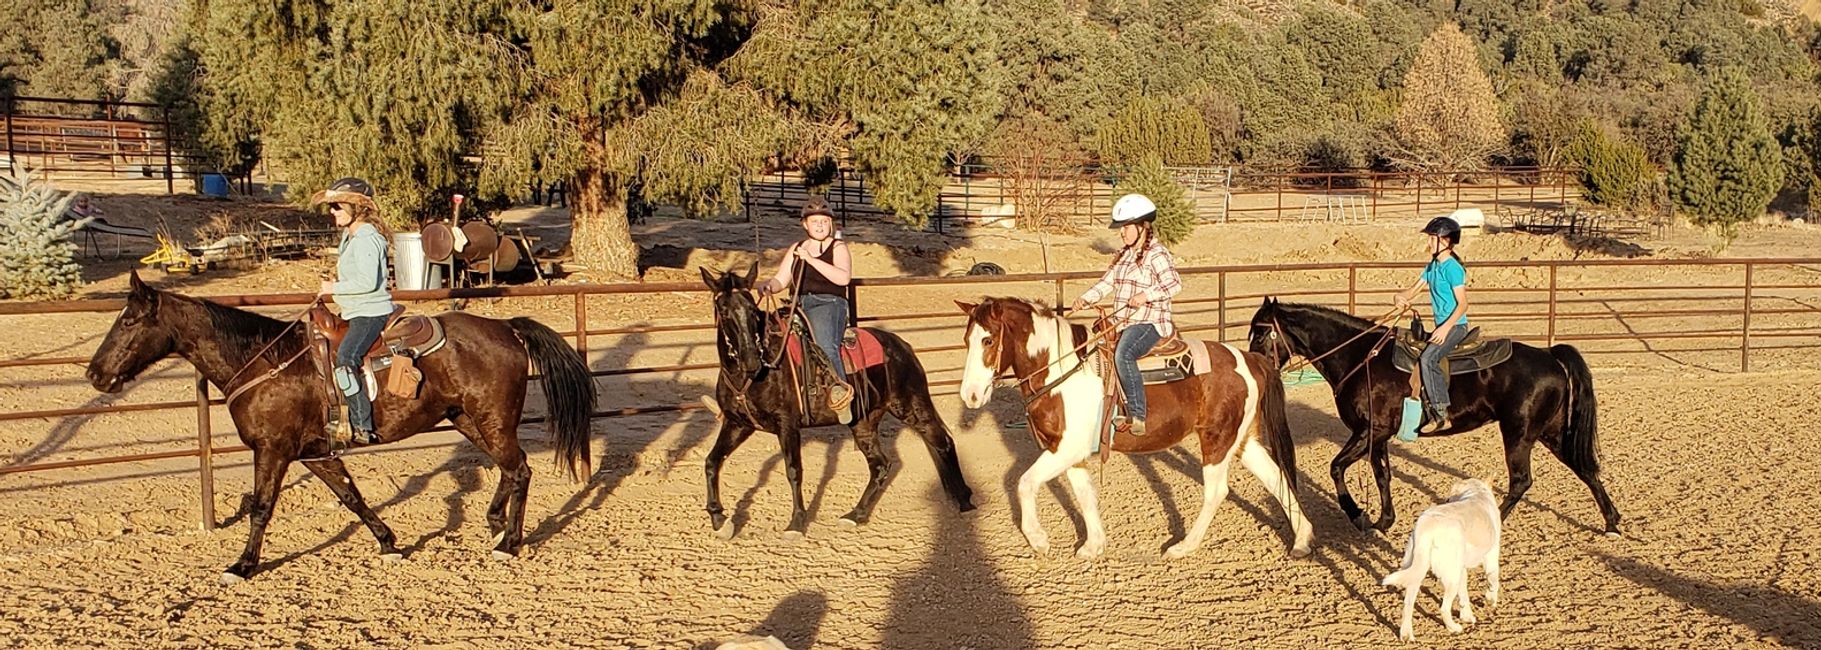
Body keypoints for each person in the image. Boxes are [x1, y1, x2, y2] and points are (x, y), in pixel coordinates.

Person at [1071, 194, 1183, 437]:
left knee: (1123, 353)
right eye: (1121, 228)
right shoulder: (1124, 254)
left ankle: (1137, 413)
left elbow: (1174, 284)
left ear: (1142, 227)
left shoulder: (1157, 254)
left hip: (1150, 322)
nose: (1122, 233)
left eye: (1126, 227)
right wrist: (1086, 298)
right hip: (1125, 321)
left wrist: (1146, 295)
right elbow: (1107, 282)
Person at [311, 177, 394, 445]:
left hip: (370, 312)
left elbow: (368, 282)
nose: (332, 212)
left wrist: (333, 287)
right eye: (330, 207)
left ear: (355, 208)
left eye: (336, 206)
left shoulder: (367, 238)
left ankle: (361, 425)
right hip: (356, 310)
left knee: (346, 359)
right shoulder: (352, 236)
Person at [758, 197, 855, 424]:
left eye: (824, 221)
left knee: (824, 344)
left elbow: (843, 278)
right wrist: (768, 286)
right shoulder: (796, 249)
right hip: (797, 304)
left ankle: (839, 392)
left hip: (828, 303)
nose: (820, 225)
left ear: (830, 224)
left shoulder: (837, 247)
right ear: (805, 224)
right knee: (764, 337)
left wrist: (811, 260)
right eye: (815, 221)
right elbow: (782, 279)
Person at [1395, 216, 1470, 434]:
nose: (1428, 243)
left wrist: (1445, 328)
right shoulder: (1432, 267)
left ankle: (1440, 413)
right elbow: (1414, 289)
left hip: (1455, 326)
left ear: (1446, 241)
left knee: (1428, 358)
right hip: (1442, 325)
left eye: (1431, 238)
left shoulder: (1453, 269)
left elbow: (1463, 304)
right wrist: (1400, 296)